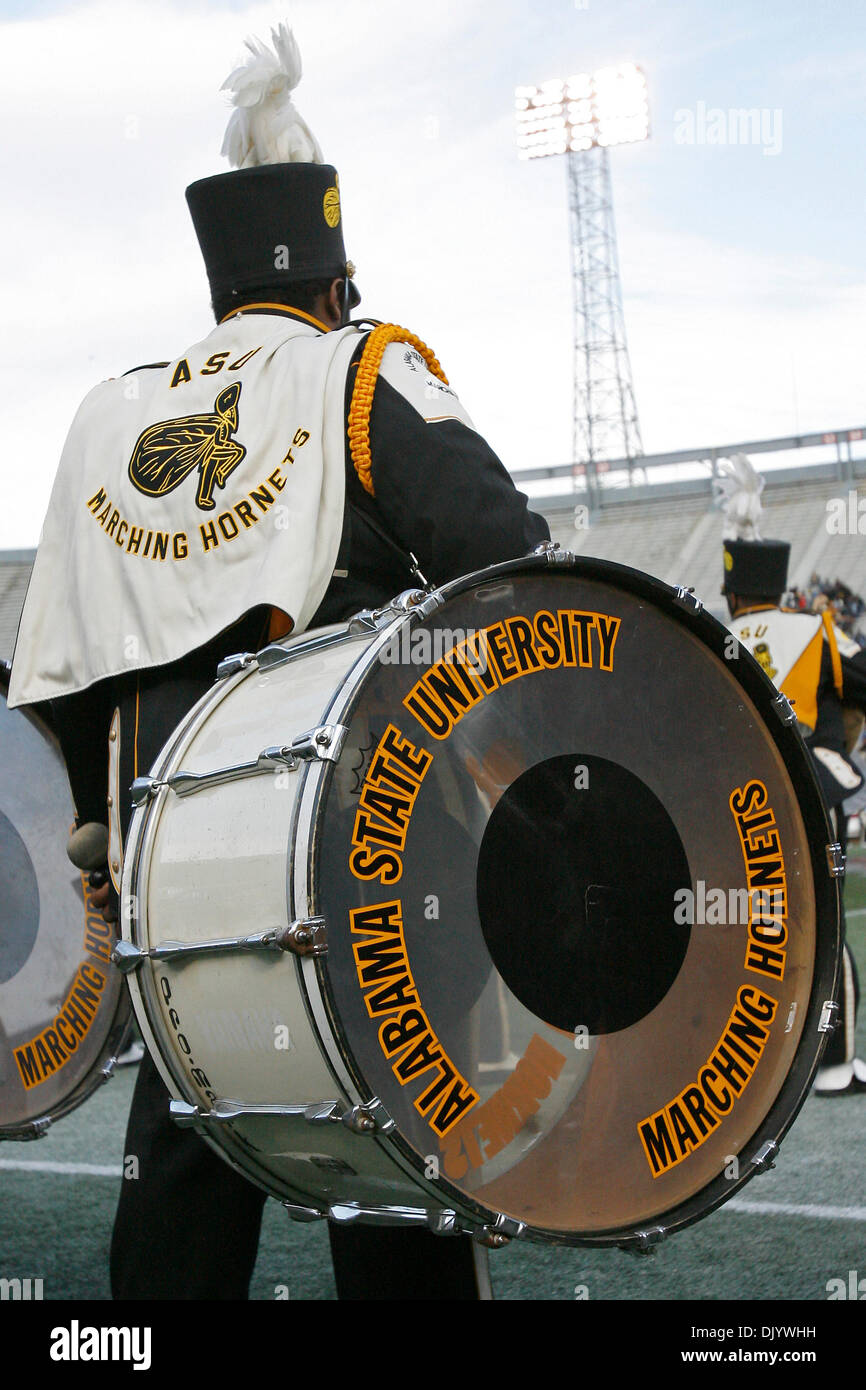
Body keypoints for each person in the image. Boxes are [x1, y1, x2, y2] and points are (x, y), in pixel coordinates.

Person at [7, 23, 549, 1298]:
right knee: (389, 1149)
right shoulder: (363, 370)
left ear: (222, 283)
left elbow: (67, 655)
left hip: (166, 864)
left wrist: (95, 831)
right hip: (359, 851)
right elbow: (506, 550)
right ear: (332, 279)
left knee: (191, 1142)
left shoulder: (110, 412)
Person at [722, 527, 866, 1096]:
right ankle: (832, 1065)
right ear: (780, 586)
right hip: (811, 786)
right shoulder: (816, 629)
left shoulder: (717, 634)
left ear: (734, 592)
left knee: (756, 930)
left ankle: (765, 1066)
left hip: (739, 801)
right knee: (824, 922)